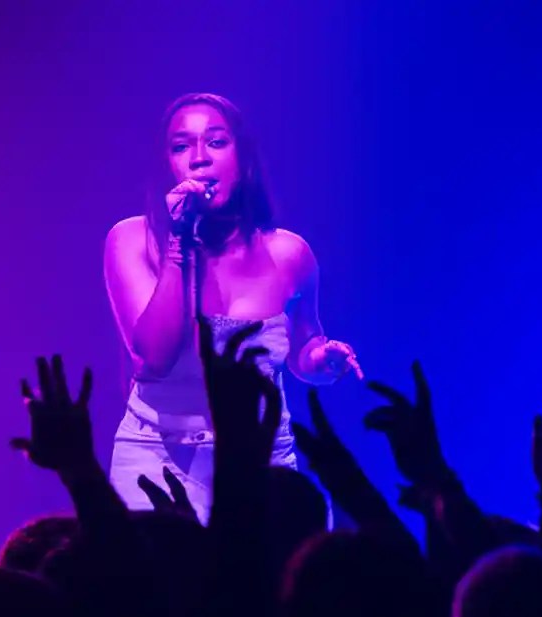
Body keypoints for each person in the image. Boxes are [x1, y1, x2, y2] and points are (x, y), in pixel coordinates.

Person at [102, 92, 361, 523]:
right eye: (181, 146)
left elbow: (302, 345)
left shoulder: (289, 253)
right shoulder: (131, 241)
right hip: (156, 455)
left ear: (244, 160)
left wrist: (321, 357)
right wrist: (179, 244)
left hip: (263, 460)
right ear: (166, 165)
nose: (199, 158)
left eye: (216, 142)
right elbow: (154, 356)